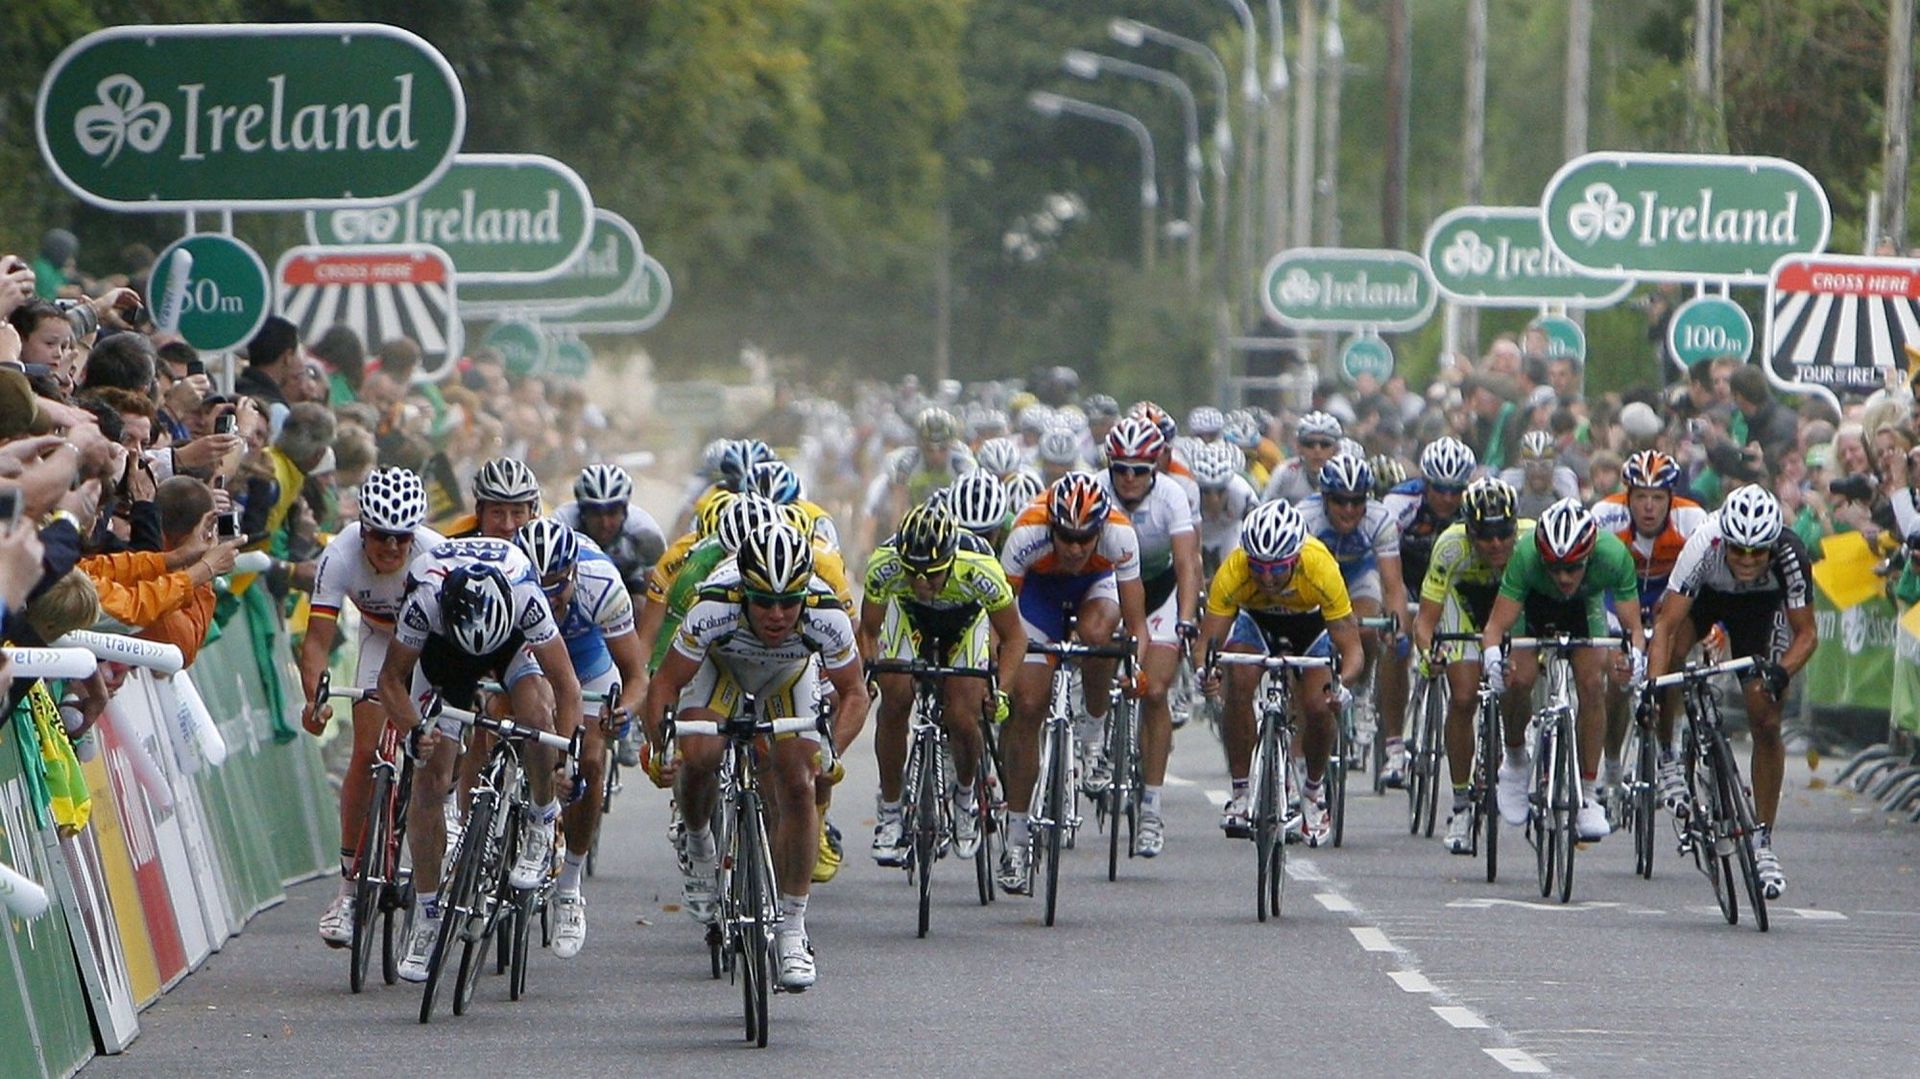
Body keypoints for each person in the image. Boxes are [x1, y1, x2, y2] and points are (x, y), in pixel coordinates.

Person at [641, 524, 869, 991]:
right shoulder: (713, 605)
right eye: (763, 602)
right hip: (721, 669)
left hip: (788, 675)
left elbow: (855, 694)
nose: (777, 615)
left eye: (789, 602)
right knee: (700, 753)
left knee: (800, 783)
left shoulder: (826, 612)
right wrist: (662, 747)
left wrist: (832, 750)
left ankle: (792, 931)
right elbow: (664, 684)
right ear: (744, 591)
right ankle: (700, 843)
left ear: (804, 593)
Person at [385, 536, 584, 983]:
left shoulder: (526, 596)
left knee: (536, 715)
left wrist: (565, 763)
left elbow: (568, 687)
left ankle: (540, 817)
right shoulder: (424, 601)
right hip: (443, 655)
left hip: (510, 646)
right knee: (429, 783)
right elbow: (391, 680)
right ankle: (428, 915)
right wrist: (415, 731)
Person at [297, 468, 444, 946]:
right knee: (365, 752)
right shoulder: (339, 554)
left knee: (438, 752)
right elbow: (316, 642)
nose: (392, 547)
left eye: (402, 537)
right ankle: (347, 889)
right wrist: (315, 700)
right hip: (381, 640)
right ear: (362, 529)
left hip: (432, 648)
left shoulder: (437, 554)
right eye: (381, 536)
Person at [1647, 484, 1815, 900]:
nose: (1747, 560)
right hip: (1704, 600)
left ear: (1772, 546)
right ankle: (1668, 755)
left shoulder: (1791, 553)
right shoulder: (1705, 543)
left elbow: (1806, 634)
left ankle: (1763, 841)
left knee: (1767, 719)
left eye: (1758, 553)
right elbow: (1665, 626)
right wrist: (1652, 688)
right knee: (1673, 658)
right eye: (1738, 550)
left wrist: (1780, 673)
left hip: (1759, 614)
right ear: (1726, 540)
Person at [997, 472, 1150, 890]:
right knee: (1029, 705)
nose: (1076, 548)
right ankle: (1016, 841)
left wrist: (1136, 669)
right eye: (1066, 537)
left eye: (1086, 538)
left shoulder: (1120, 534)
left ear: (1100, 528)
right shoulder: (1026, 532)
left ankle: (1094, 736)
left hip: (1094, 587)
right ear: (1051, 527)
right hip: (1038, 595)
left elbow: (1137, 626)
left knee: (1100, 637)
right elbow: (1000, 621)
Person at [859, 502, 1024, 865]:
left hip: (965, 622)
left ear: (950, 561)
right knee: (894, 699)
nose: (921, 582)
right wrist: (867, 677)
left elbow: (1015, 638)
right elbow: (868, 631)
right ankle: (890, 812)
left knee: (963, 716)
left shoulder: (980, 568)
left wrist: (1001, 693)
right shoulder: (884, 564)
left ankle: (965, 797)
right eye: (913, 572)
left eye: (932, 574)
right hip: (909, 618)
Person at [513, 516, 648, 958]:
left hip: (587, 657)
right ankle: (499, 820)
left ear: (573, 573)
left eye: (557, 586)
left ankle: (569, 886)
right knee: (509, 719)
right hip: (526, 652)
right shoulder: (507, 579)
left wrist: (623, 710)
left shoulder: (601, 582)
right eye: (540, 588)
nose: (549, 598)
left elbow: (636, 676)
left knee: (589, 759)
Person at [1198, 500, 1362, 847]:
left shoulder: (1321, 567)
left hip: (1310, 626)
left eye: (1278, 568)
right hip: (1257, 622)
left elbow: (1352, 650)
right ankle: (1241, 793)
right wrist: (1206, 673)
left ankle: (1313, 793)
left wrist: (1342, 685)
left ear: (1296, 559)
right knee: (1238, 681)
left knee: (1319, 706)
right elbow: (1208, 643)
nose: (1268, 578)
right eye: (1258, 568)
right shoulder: (1234, 569)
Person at [1480, 499, 1645, 843]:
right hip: (1534, 607)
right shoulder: (1525, 556)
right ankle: (1515, 761)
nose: (1564, 577)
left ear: (1589, 556)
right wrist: (1494, 660)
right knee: (1518, 678)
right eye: (1554, 568)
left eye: (1572, 568)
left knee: (1592, 684)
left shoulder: (1613, 556)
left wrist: (1636, 658)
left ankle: (1587, 792)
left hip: (1585, 607)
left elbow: (1634, 630)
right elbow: (1495, 628)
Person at [1093, 418, 1200, 857]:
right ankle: (1095, 739)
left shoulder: (1172, 495)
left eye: (1139, 470)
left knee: (1154, 691)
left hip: (1158, 594)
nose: (1130, 479)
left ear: (1156, 466)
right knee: (1096, 641)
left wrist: (1186, 618)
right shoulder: (1095, 490)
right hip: (1108, 587)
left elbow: (1187, 563)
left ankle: (1152, 809)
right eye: (1121, 469)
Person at [1412, 477, 1527, 853]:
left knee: (1519, 680)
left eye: (1503, 534)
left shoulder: (1530, 542)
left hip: (1512, 610)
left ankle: (1516, 754)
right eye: (1485, 536)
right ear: (1468, 531)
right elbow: (1425, 622)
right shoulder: (1450, 547)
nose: (1496, 544)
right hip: (1463, 607)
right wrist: (1430, 654)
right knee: (1463, 698)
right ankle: (1461, 805)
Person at [1296, 454, 1407, 783]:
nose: (1349, 509)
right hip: (1314, 581)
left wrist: (1396, 626)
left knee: (1366, 627)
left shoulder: (1379, 518)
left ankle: (1360, 694)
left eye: (1357, 501)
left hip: (1358, 575)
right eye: (1340, 501)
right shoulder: (1305, 518)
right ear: (1324, 498)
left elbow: (1392, 584)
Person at [1376, 437, 1476, 786]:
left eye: (1455, 490)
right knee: (1396, 642)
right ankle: (1393, 746)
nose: (1447, 498)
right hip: (1406, 579)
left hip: (1452, 586)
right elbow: (1385, 562)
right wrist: (1396, 613)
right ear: (1425, 483)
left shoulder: (1473, 506)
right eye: (1439, 489)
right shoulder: (1400, 503)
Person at [555, 463, 667, 599]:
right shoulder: (561, 528)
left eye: (612, 513)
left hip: (628, 585)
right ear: (582, 512)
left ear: (624, 511)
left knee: (640, 602)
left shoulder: (645, 533)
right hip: (576, 586)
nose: (605, 523)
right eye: (596, 513)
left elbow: (658, 595)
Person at [1193, 442, 1258, 577]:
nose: (1214, 500)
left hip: (1229, 534)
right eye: (1205, 491)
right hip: (1195, 536)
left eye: (1220, 490)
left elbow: (1257, 535)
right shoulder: (1187, 494)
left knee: (1234, 574)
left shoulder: (1243, 494)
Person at [1262, 411, 1344, 504]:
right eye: (1309, 444)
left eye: (1325, 444)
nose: (1317, 450)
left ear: (1336, 449)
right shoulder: (1285, 473)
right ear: (1299, 447)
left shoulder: (1345, 475)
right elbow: (1265, 507)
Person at [1500, 430, 1581, 518]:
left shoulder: (1565, 481)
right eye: (1530, 465)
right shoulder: (1509, 482)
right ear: (1521, 464)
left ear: (1554, 463)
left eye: (1544, 465)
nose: (1537, 471)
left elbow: (1576, 517)